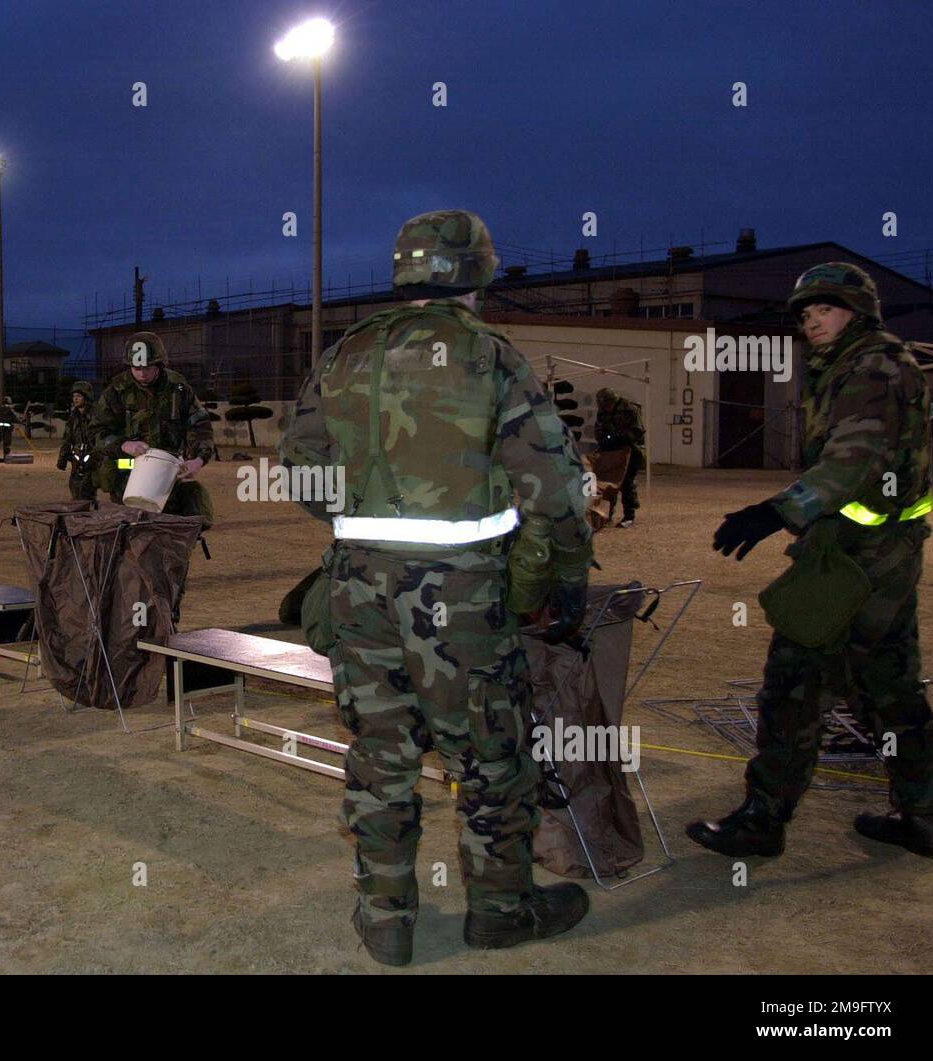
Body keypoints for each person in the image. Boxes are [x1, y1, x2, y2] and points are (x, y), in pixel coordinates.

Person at [280, 209, 595, 965]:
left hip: (359, 587)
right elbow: (555, 486)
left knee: (382, 749)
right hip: (460, 594)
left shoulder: (346, 353)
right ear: (479, 272)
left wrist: (360, 516)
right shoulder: (491, 356)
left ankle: (385, 919)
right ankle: (499, 911)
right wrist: (564, 573)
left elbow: (299, 461)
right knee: (489, 755)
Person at [690, 262, 933, 860]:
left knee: (795, 683)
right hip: (884, 553)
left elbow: (851, 461)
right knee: (888, 686)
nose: (812, 322)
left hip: (858, 559)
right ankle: (928, 815)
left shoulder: (871, 366)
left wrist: (778, 510)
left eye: (824, 309)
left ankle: (763, 819)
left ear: (857, 311)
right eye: (805, 314)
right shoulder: (861, 364)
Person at [91, 331, 215, 529]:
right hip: (127, 475)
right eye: (136, 368)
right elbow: (96, 432)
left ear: (159, 364)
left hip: (168, 474)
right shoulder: (117, 390)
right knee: (130, 532)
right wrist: (124, 444)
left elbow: (200, 426)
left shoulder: (178, 388)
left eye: (147, 368)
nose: (141, 374)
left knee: (180, 523)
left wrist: (199, 460)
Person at [593, 387, 645, 527]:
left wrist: (619, 437)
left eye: (608, 405)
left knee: (627, 483)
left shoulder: (630, 409)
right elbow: (598, 429)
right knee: (608, 484)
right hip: (610, 452)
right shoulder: (603, 411)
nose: (606, 408)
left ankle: (629, 516)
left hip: (629, 451)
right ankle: (608, 513)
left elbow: (638, 432)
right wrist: (605, 439)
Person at [57, 381, 99, 502]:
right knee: (74, 487)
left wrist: (96, 455)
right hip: (77, 457)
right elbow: (67, 439)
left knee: (87, 489)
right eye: (74, 396)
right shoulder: (73, 416)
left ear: (86, 397)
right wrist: (62, 459)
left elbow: (101, 436)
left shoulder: (96, 415)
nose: (75, 399)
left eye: (78, 396)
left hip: (92, 457)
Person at [0, 396, 17, 461]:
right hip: (7, 429)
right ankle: (6, 457)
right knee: (7, 444)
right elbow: (14, 418)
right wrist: (21, 421)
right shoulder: (9, 409)